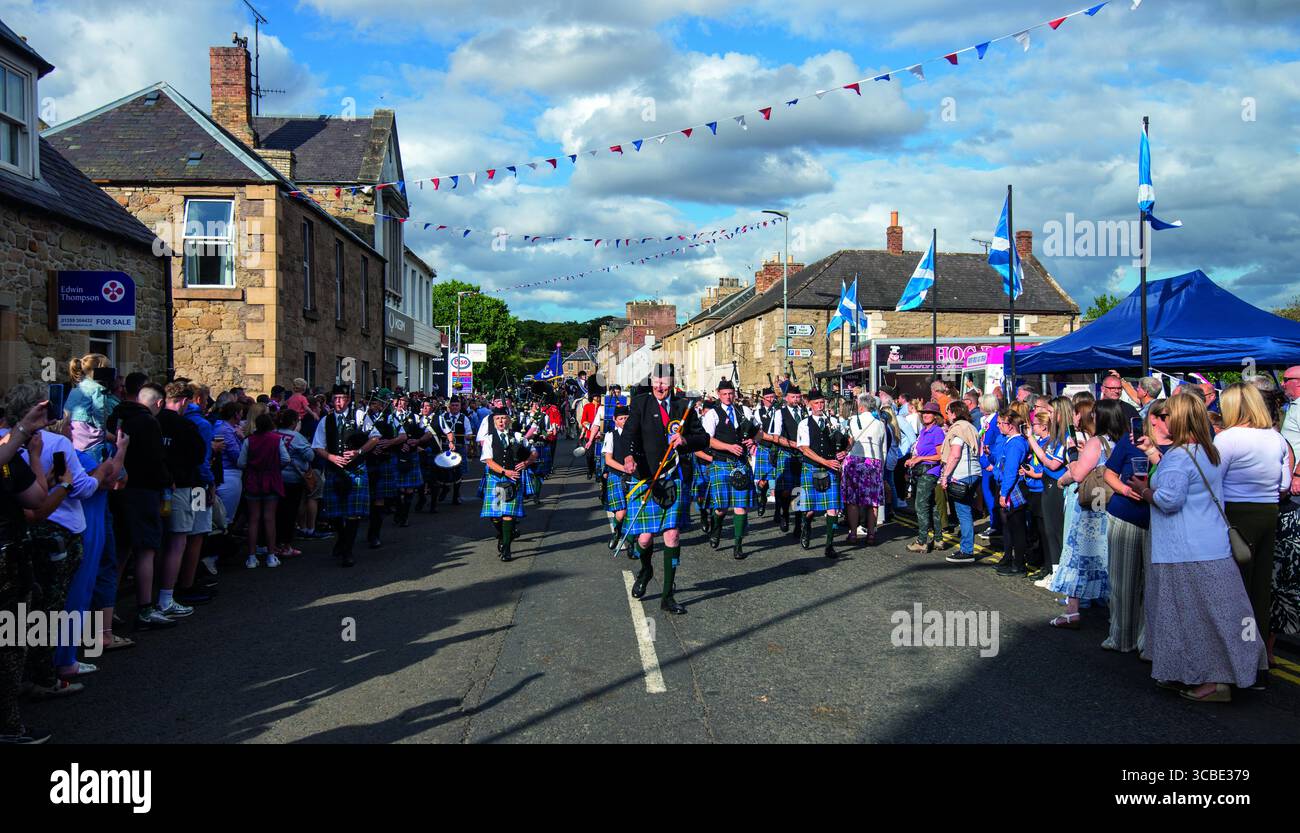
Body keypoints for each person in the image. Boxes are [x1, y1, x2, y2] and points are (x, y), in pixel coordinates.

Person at [1133, 394, 1268, 700]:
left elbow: (1170, 499)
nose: (1159, 420)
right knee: (1218, 616)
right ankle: (1204, 673)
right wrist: (1156, 455)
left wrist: (1144, 491)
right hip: (1210, 546)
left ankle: (1210, 681)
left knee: (1190, 619)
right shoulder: (1207, 451)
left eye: (1165, 415)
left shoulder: (1181, 456)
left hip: (1185, 550)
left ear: (1178, 419)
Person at [622, 364, 710, 614]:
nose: (660, 386)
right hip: (648, 476)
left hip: (675, 477)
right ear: (651, 383)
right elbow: (629, 434)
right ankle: (647, 569)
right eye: (656, 381)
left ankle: (668, 595)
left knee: (672, 535)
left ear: (672, 383)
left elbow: (703, 438)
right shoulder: (641, 404)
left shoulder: (685, 407)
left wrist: (685, 440)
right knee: (645, 538)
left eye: (664, 382)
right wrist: (629, 458)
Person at [1215, 382, 1290, 666]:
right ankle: (1258, 660)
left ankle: (1236, 661)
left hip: (1235, 515)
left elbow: (1212, 481)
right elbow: (1283, 484)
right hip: (1268, 513)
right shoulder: (1276, 438)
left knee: (1234, 589)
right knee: (1259, 588)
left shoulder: (1228, 438)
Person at [0, 399, 54, 743]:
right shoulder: (13, 454)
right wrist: (29, 445)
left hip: (12, 554)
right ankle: (9, 724)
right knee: (10, 640)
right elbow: (38, 500)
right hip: (8, 558)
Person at [1103, 400, 1170, 654]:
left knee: (1154, 585)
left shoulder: (1180, 447)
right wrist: (1125, 489)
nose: (1164, 421)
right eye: (1160, 416)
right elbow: (1109, 472)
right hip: (1126, 515)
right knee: (1123, 581)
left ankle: (1147, 643)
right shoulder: (1130, 442)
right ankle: (1121, 637)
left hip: (1160, 521)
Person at [109, 382, 177, 630]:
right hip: (144, 491)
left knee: (120, 551)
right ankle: (145, 609)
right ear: (159, 403)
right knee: (146, 551)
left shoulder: (117, 416)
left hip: (118, 490)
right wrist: (166, 482)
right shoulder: (148, 423)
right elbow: (156, 459)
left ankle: (108, 609)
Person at [1049, 400, 1121, 628]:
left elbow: (1079, 474)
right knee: (1106, 555)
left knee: (1079, 554)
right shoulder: (1120, 442)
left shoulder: (1095, 442)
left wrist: (1068, 470)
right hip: (1108, 501)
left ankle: (1072, 610)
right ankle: (1113, 609)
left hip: (1090, 504)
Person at [312, 385, 380, 566]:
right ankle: (342, 539)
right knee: (334, 513)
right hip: (335, 470)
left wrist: (359, 451)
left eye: (342, 398)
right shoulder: (325, 421)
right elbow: (317, 446)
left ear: (348, 399)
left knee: (353, 514)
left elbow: (375, 437)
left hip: (356, 468)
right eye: (335, 398)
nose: (338, 402)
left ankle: (347, 551)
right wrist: (331, 457)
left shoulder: (359, 416)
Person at [700, 379, 757, 559]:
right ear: (718, 394)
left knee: (741, 506)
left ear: (735, 394)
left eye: (731, 393)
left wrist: (754, 441)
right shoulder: (712, 414)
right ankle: (716, 528)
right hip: (721, 462)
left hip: (741, 463)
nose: (728, 397)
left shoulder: (745, 411)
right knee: (721, 508)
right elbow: (707, 439)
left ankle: (738, 545)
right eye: (724, 394)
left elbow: (759, 431)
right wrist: (728, 447)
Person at [796, 389, 847, 558]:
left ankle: (829, 545)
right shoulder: (804, 423)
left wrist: (844, 451)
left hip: (831, 468)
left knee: (832, 508)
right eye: (816, 403)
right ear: (809, 404)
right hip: (811, 467)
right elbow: (804, 449)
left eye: (822, 402)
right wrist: (824, 461)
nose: (820, 406)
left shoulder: (834, 421)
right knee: (809, 509)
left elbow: (848, 439)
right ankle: (806, 525)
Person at [481, 407, 535, 561]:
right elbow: (489, 461)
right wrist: (505, 472)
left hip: (513, 480)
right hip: (497, 479)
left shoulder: (517, 436)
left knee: (508, 516)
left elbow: (534, 453)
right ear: (494, 421)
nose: (501, 421)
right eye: (498, 419)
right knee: (495, 516)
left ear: (508, 420)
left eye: (504, 418)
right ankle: (505, 534)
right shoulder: (489, 438)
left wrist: (526, 463)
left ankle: (506, 549)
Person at [239, 412, 289, 568]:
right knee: (269, 518)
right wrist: (276, 468)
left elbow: (241, 462)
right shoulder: (276, 440)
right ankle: (271, 555)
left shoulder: (249, 441)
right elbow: (286, 459)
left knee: (253, 519)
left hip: (253, 480)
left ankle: (252, 556)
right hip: (271, 479)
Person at [938, 400, 982, 563]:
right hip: (975, 474)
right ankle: (967, 547)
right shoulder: (971, 428)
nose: (947, 416)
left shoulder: (958, 430)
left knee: (963, 513)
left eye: (948, 412)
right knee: (966, 512)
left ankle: (967, 551)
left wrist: (945, 476)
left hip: (961, 475)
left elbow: (955, 454)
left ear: (955, 413)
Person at [843, 393, 887, 546]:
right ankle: (871, 535)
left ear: (861, 407)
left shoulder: (853, 420)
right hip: (874, 463)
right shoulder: (881, 424)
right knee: (872, 501)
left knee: (852, 500)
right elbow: (883, 449)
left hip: (855, 460)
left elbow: (846, 441)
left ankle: (854, 534)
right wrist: (881, 468)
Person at [763, 386, 807, 536]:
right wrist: (793, 444)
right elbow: (775, 437)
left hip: (803, 455)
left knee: (800, 490)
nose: (795, 400)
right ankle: (785, 514)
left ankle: (798, 523)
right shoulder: (779, 413)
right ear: (786, 398)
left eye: (798, 397)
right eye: (793, 397)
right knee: (787, 491)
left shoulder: (804, 412)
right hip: (787, 453)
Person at [994, 410, 1032, 577]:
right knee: (1011, 526)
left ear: (1010, 426)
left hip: (1013, 490)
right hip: (1010, 487)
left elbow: (1010, 471)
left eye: (1001, 423)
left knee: (1017, 528)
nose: (998, 426)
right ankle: (1012, 561)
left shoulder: (1015, 444)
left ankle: (1019, 565)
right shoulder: (1012, 441)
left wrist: (1004, 493)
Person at [906, 403, 947, 553]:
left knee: (921, 505)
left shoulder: (937, 432)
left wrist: (919, 459)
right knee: (932, 506)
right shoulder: (924, 430)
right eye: (924, 413)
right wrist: (913, 459)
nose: (925, 415)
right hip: (922, 471)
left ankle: (922, 541)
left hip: (930, 471)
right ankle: (938, 539)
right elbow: (921, 452)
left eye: (929, 413)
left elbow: (940, 456)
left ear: (936, 416)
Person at [274, 407, 314, 560]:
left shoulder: (274, 433)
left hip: (277, 477)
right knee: (290, 513)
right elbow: (310, 455)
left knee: (277, 512)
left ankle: (275, 543)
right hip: (292, 478)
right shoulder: (297, 437)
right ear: (293, 422)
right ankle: (286, 545)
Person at [602, 405, 633, 552]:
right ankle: (617, 532)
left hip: (634, 476)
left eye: (626, 418)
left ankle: (632, 544)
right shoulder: (611, 435)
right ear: (615, 420)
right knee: (621, 513)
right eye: (621, 419)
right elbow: (608, 460)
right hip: (617, 475)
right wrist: (625, 469)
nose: (624, 421)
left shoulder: (635, 434)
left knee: (633, 512)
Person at [977, 394, 1003, 543]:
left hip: (990, 463)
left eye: (981, 404)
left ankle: (995, 524)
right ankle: (994, 523)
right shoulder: (986, 420)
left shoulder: (995, 422)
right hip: (984, 460)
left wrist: (989, 462)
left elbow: (997, 443)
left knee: (990, 493)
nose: (979, 406)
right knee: (987, 493)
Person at [751, 387, 779, 517]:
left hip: (778, 448)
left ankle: (779, 510)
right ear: (763, 399)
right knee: (763, 481)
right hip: (764, 447)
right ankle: (762, 500)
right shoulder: (758, 412)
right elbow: (758, 432)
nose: (770, 400)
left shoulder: (779, 410)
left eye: (772, 397)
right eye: (768, 398)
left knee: (779, 480)